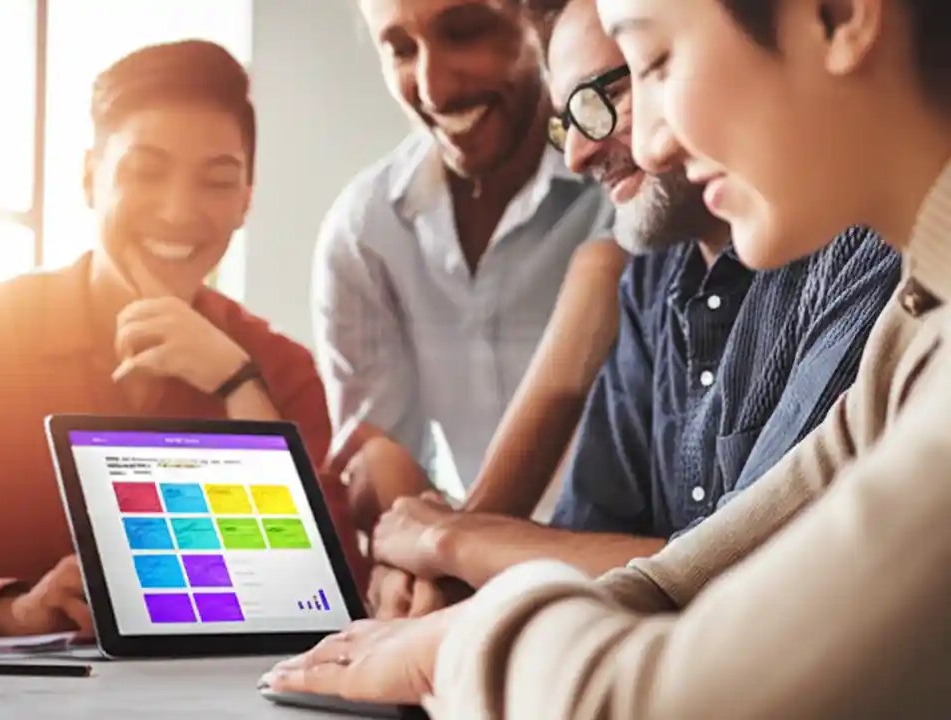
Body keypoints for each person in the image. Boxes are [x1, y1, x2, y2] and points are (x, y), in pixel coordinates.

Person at [267, 0, 951, 716]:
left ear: (838, 15)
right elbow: (680, 576)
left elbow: (650, 702)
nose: (653, 146)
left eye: (653, 63)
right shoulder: (915, 323)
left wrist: (456, 642)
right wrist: (446, 618)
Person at [363, 0, 899, 607]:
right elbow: (589, 555)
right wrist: (461, 563)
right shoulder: (649, 280)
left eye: (652, 69)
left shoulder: (867, 243)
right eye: (565, 121)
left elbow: (749, 581)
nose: (577, 155)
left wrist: (454, 543)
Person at [0, 40, 361, 637]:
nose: (178, 211)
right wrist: (7, 609)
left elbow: (334, 606)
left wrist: (238, 386)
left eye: (216, 181)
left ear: (245, 202)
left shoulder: (279, 371)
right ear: (90, 178)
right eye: (145, 172)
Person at [315, 0, 621, 528]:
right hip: (467, 565)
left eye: (466, 32)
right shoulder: (365, 232)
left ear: (541, 21)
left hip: (626, 569)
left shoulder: (623, 180)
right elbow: (379, 462)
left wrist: (450, 549)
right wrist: (428, 558)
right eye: (402, 49)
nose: (434, 89)